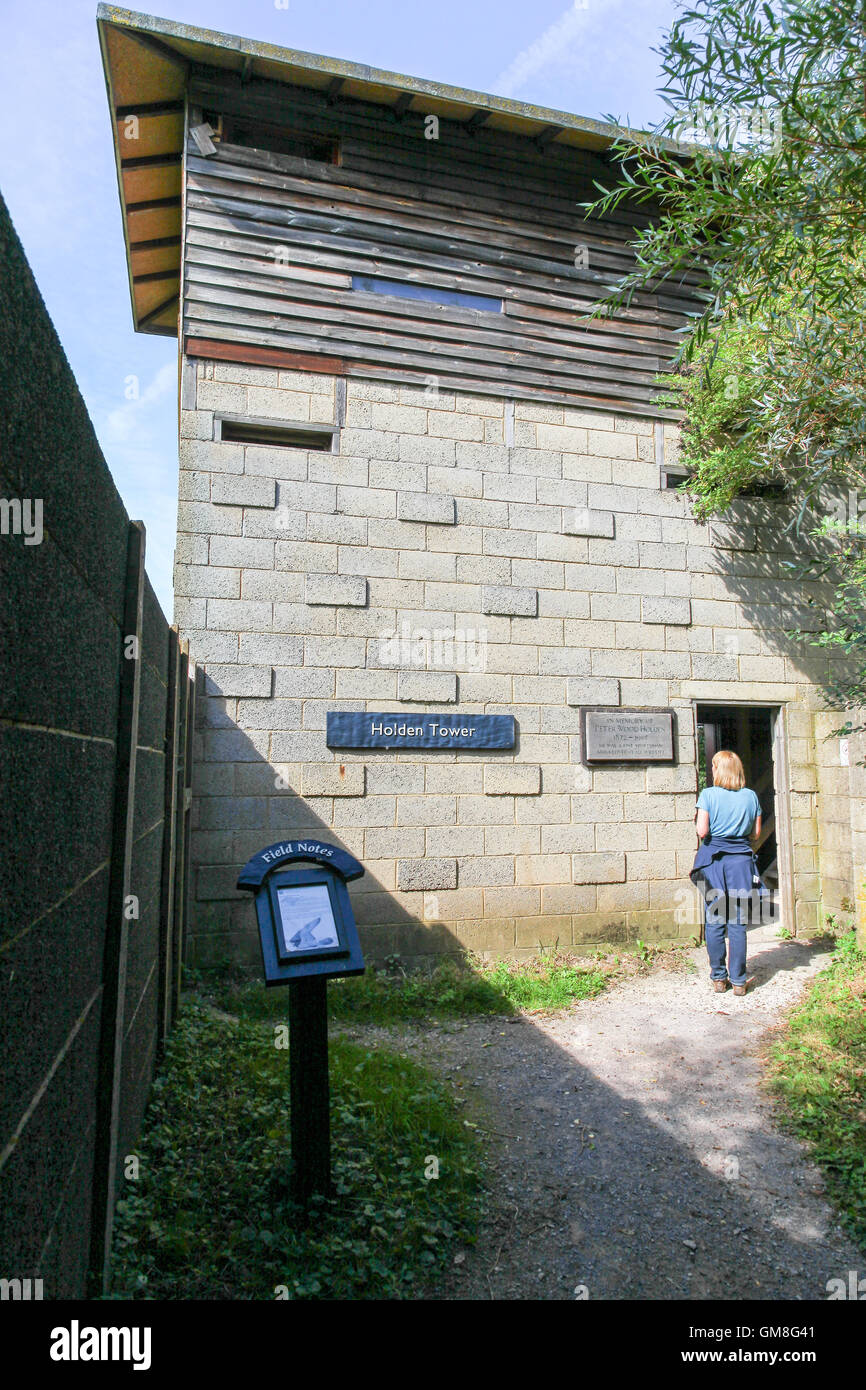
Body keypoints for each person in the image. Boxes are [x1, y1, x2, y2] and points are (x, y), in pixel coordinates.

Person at [690, 749, 762, 996]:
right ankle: (740, 982)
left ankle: (719, 979)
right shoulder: (751, 796)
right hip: (741, 863)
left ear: (719, 770)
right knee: (738, 922)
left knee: (715, 919)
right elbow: (756, 833)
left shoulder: (708, 795)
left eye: (713, 766)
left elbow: (702, 831)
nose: (711, 770)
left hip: (713, 864)